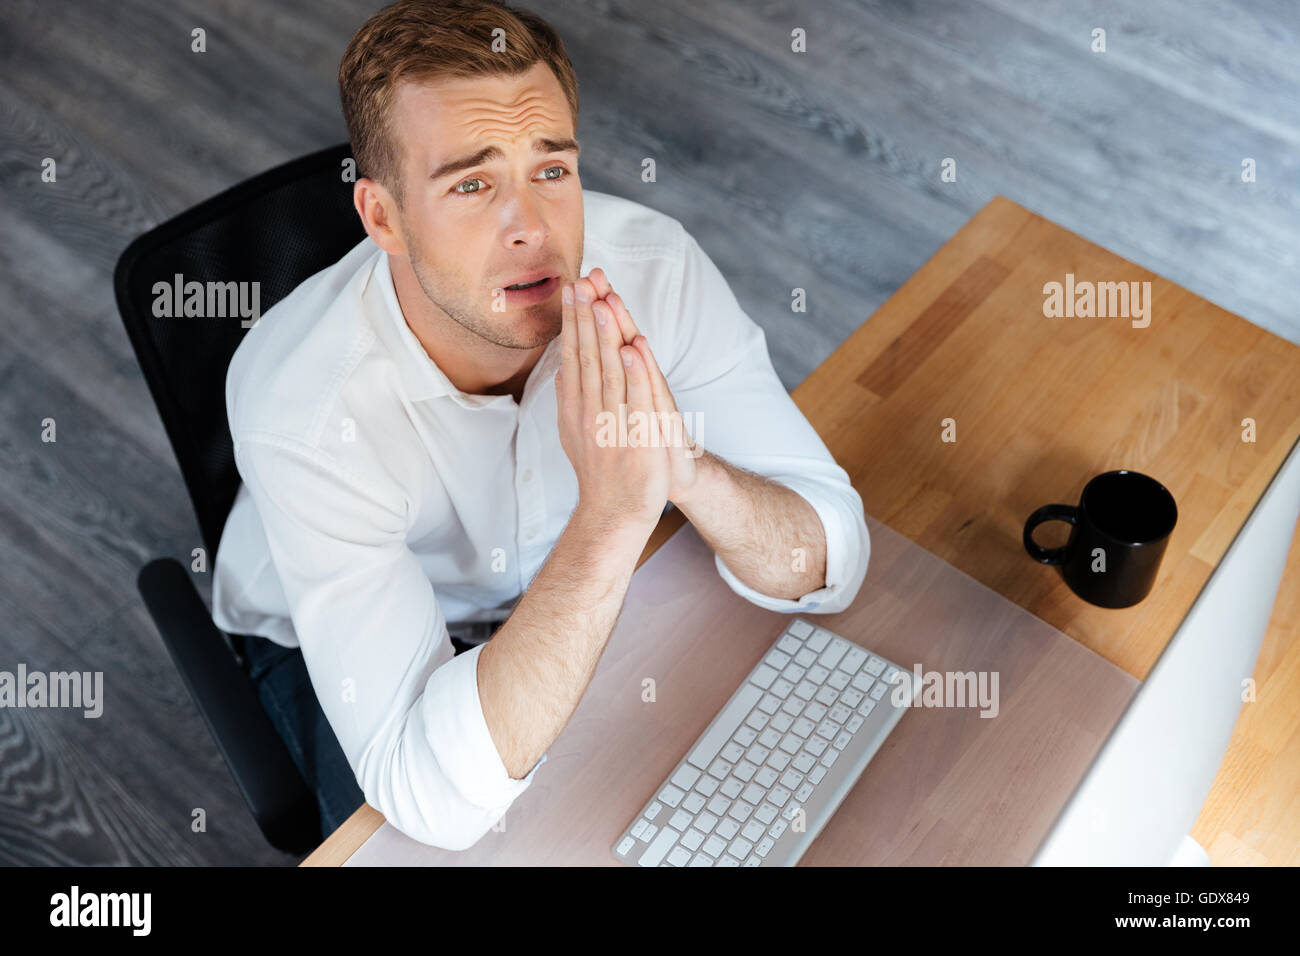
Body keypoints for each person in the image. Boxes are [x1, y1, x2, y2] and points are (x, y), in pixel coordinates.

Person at [211, 0, 870, 849]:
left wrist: (682, 468)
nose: (533, 229)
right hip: (322, 637)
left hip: (556, 584)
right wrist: (613, 515)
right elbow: (433, 797)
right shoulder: (303, 411)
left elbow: (833, 557)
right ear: (381, 218)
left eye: (551, 171)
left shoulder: (655, 268)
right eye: (473, 184)